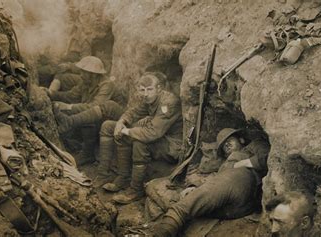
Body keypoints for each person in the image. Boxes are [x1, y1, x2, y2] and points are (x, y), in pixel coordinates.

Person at [152, 128, 270, 236]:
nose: (227, 145)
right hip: (235, 209)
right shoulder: (225, 165)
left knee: (182, 210)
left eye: (230, 140)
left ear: (241, 139)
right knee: (194, 207)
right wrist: (195, 188)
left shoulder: (254, 145)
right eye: (224, 146)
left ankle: (166, 227)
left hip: (246, 184)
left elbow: (269, 158)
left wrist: (240, 164)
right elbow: (215, 180)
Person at [96, 72, 183, 204]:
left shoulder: (169, 103)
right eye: (142, 90)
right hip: (160, 137)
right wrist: (121, 122)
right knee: (109, 126)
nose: (146, 94)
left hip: (172, 145)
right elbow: (134, 111)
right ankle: (120, 176)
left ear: (159, 88)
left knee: (139, 141)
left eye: (149, 89)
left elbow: (153, 133)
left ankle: (136, 190)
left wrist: (127, 131)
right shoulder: (149, 99)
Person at [50, 56, 124, 165]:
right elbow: (71, 96)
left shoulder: (107, 85)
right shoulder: (86, 82)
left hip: (112, 120)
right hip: (98, 116)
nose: (81, 75)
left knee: (88, 117)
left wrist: (69, 107)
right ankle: (72, 143)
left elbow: (95, 107)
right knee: (70, 112)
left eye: (84, 72)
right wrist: (51, 94)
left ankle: (88, 154)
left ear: (93, 74)